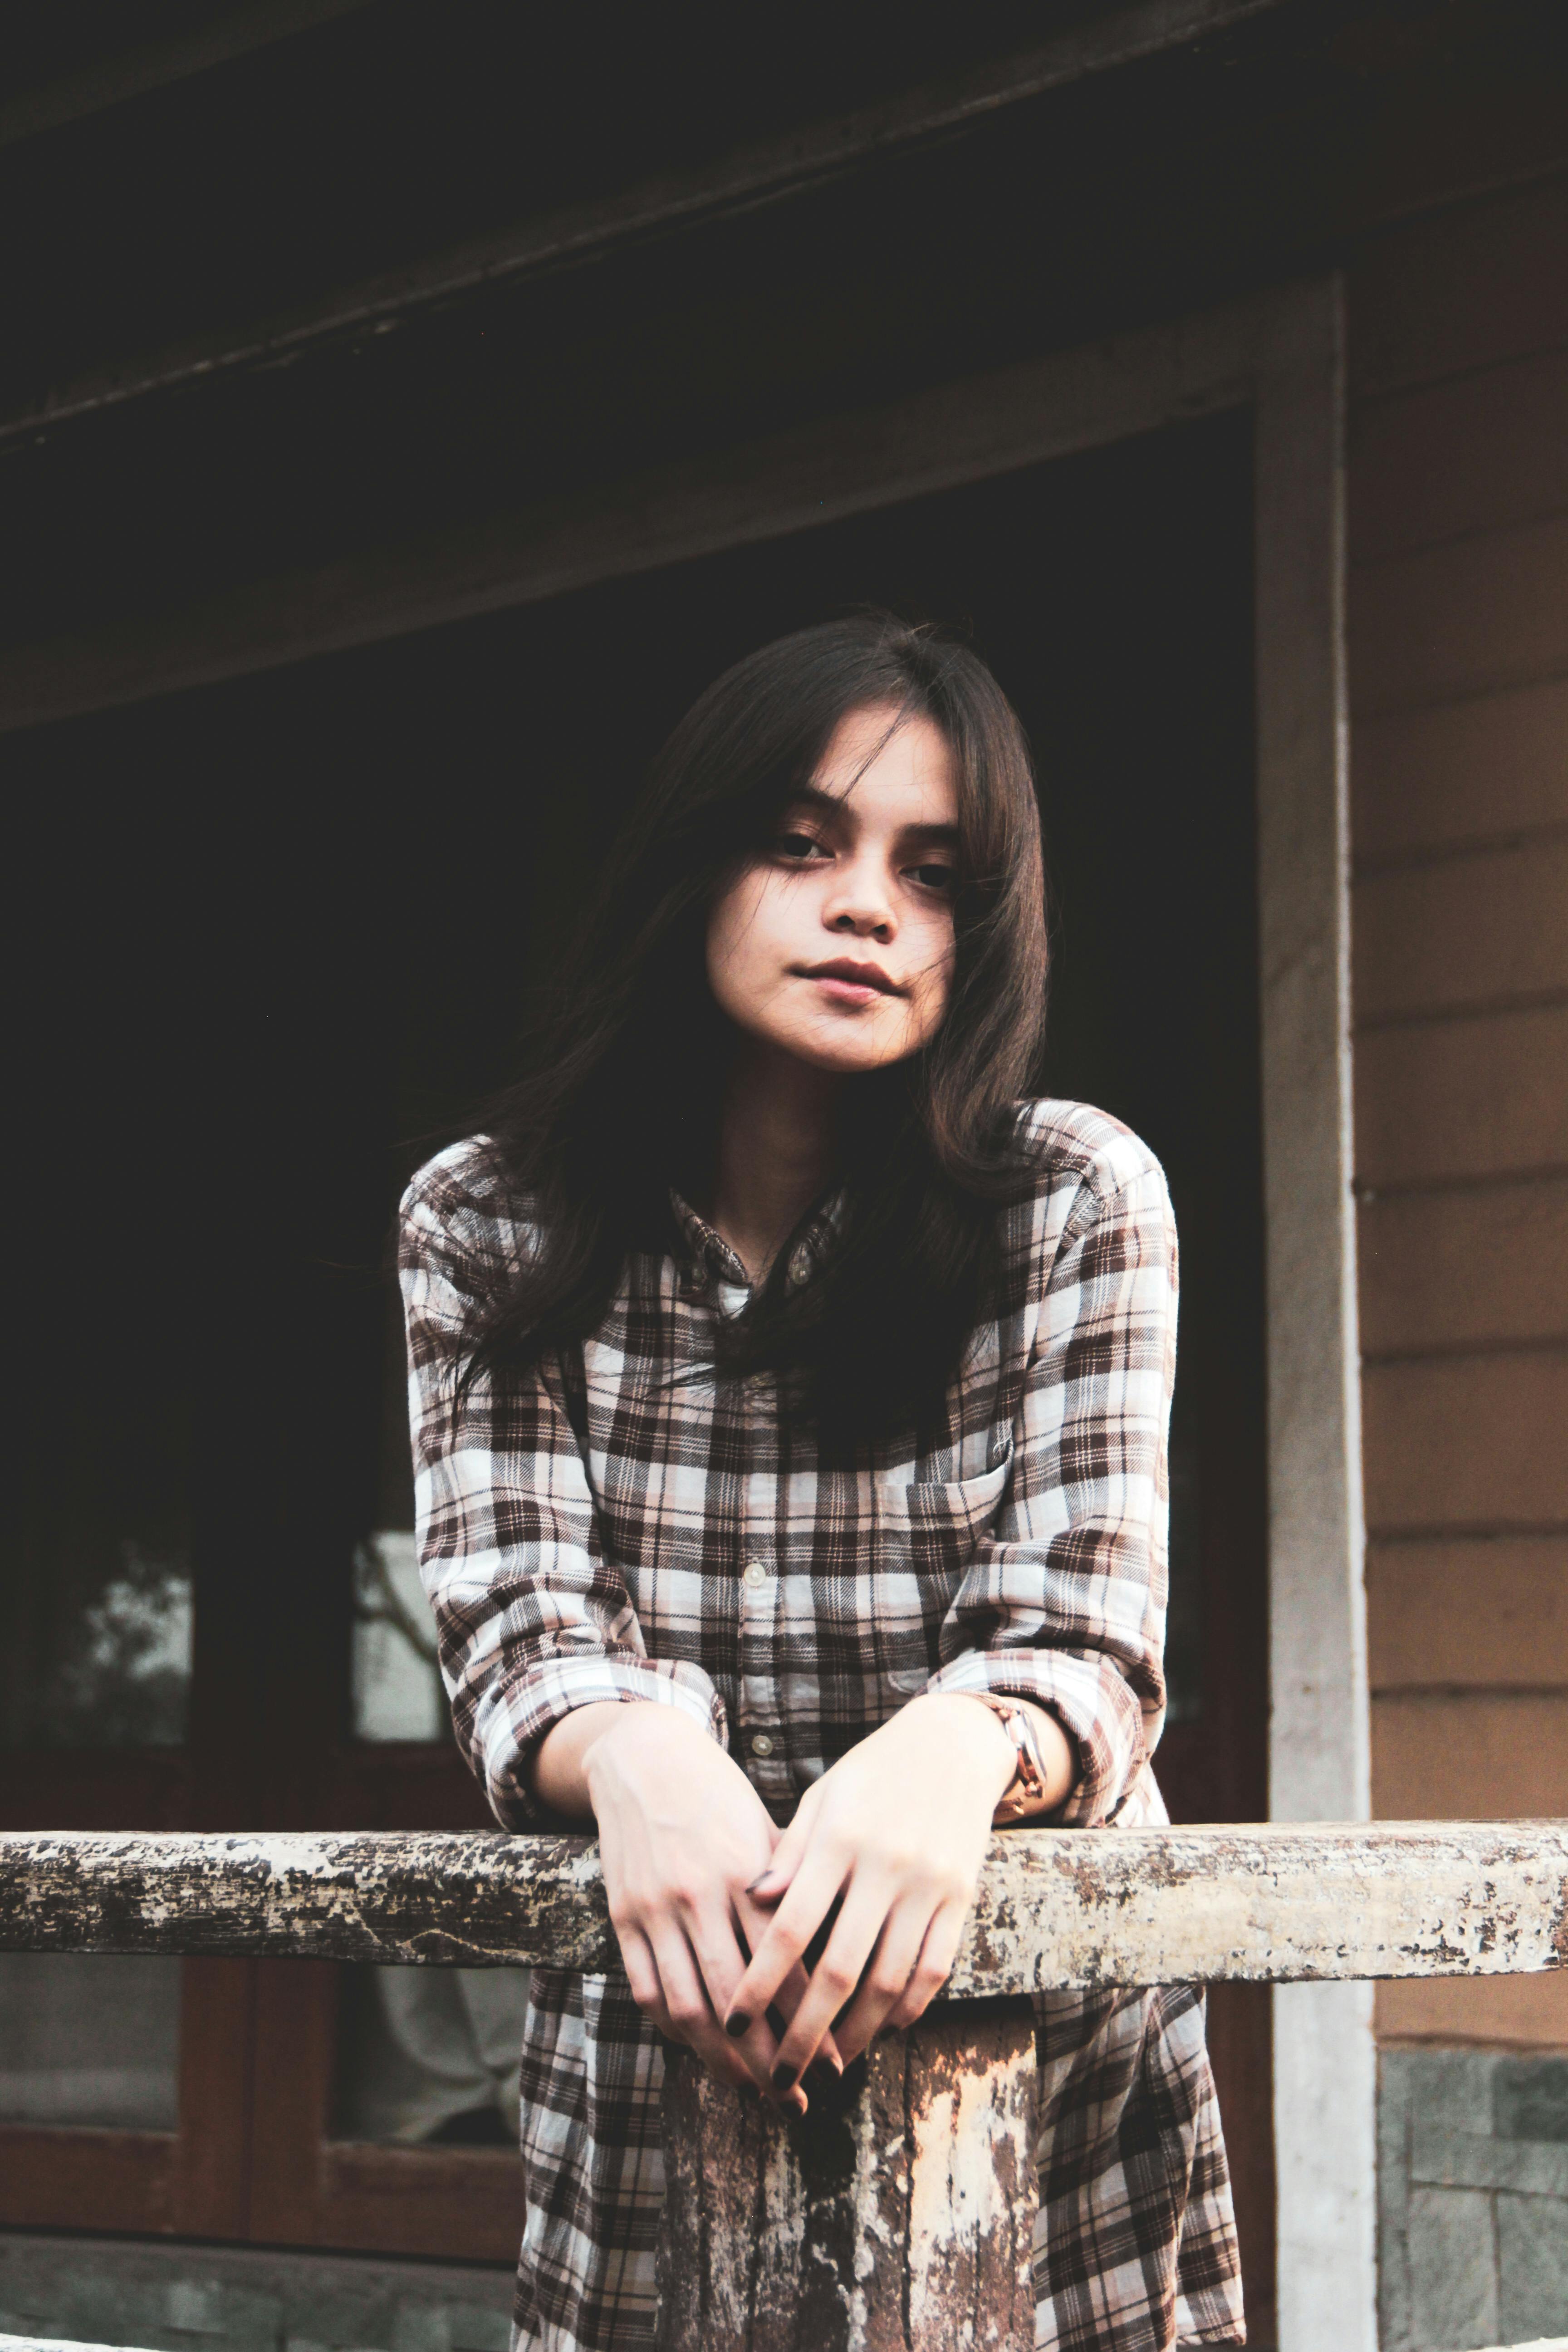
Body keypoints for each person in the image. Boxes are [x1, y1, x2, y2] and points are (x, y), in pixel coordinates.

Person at [398, 615, 1245, 2352]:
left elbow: (1086, 1638)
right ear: (689, 861)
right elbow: (517, 1628)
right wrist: (634, 1751)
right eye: (804, 843)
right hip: (656, 2070)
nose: (867, 906)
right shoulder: (484, 1223)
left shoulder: (1075, 1201)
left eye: (932, 875)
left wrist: (956, 1745)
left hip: (1041, 2092)